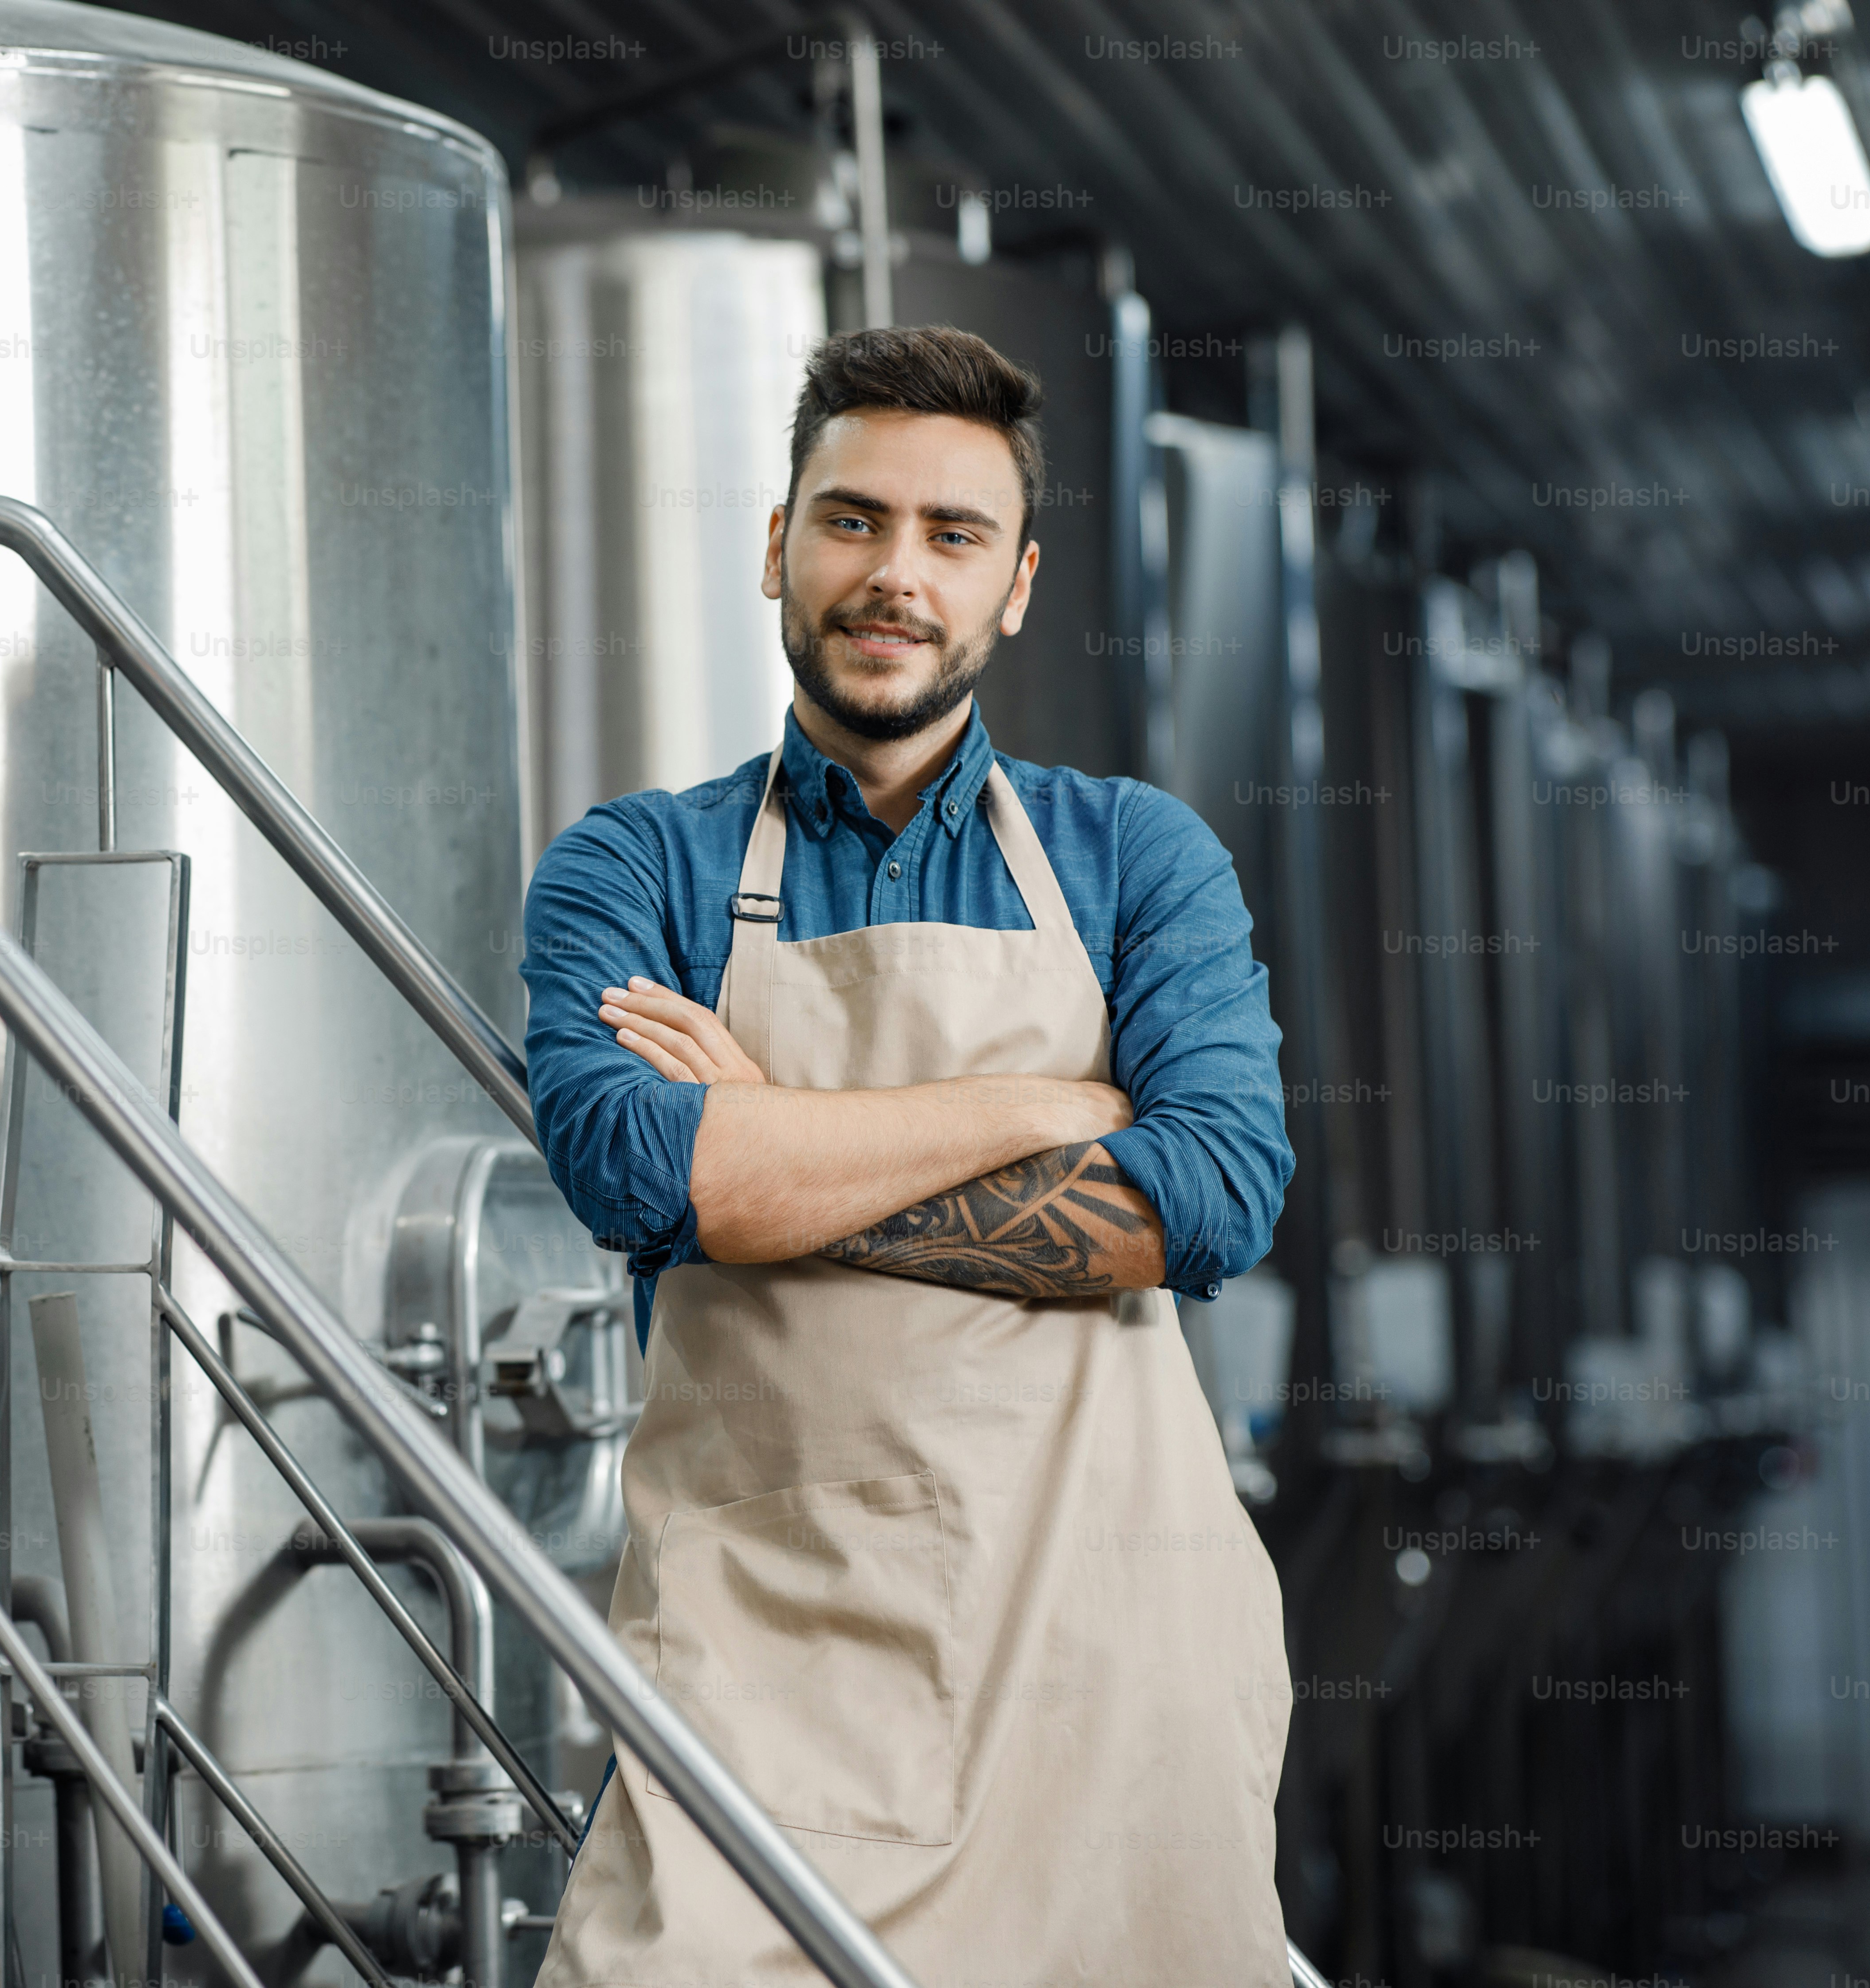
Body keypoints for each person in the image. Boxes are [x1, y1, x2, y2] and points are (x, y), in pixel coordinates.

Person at [523, 324, 1298, 1987]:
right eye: (852, 519)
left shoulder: (1133, 857)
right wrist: (1047, 1109)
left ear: (1016, 586)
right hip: (759, 1668)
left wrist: (771, 1163)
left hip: (1107, 1675)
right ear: (778, 547)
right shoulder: (631, 866)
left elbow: (1215, 1195)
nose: (896, 575)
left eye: (953, 536)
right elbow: (641, 1178)